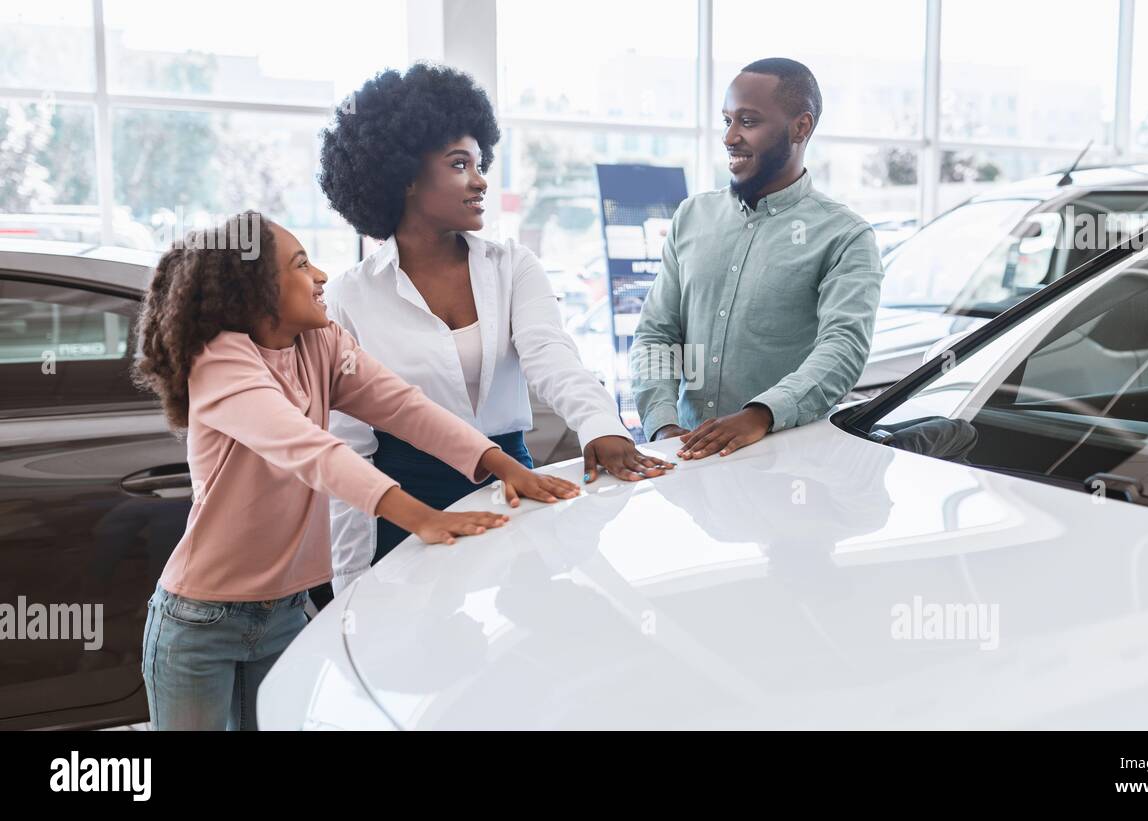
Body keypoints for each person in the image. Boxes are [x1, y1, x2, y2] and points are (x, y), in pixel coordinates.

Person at [132, 213, 578, 730]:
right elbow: (311, 449)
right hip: (201, 621)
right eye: (301, 265)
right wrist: (420, 517)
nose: (322, 275)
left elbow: (404, 406)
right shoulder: (221, 361)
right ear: (254, 294)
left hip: (284, 614)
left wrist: (500, 465)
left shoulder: (322, 344)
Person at [318, 64, 673, 593]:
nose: (480, 180)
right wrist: (347, 579)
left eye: (479, 163)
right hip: (405, 506)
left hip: (514, 485)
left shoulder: (512, 266)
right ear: (406, 177)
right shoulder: (351, 294)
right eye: (460, 164)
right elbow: (347, 450)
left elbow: (551, 355)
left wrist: (602, 426)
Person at [631, 58, 883, 459]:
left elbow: (842, 347)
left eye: (748, 122)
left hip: (788, 466)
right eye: (727, 120)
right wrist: (662, 425)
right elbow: (657, 335)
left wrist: (762, 414)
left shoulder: (845, 236)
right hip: (685, 462)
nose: (730, 137)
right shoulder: (692, 217)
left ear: (801, 127)